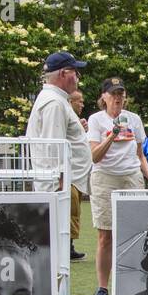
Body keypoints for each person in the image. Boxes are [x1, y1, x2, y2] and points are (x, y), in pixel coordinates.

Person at [25, 52, 95, 295]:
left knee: (57, 243)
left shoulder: (55, 100)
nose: (78, 77)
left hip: (61, 183)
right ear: (64, 73)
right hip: (58, 185)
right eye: (75, 72)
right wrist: (60, 185)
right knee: (55, 243)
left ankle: (59, 294)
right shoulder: (54, 103)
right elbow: (54, 149)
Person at [87, 77, 148, 295]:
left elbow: (140, 155)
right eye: (113, 93)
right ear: (104, 97)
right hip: (105, 178)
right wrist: (112, 134)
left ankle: (135, 285)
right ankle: (102, 288)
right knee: (105, 236)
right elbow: (94, 157)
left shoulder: (135, 119)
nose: (118, 97)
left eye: (121, 93)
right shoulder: (96, 120)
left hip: (131, 178)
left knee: (137, 234)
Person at [66, 89, 88, 263]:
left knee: (75, 211)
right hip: (69, 174)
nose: (82, 104)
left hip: (77, 174)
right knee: (70, 211)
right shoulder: (63, 114)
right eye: (79, 101)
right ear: (70, 102)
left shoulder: (73, 120)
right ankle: (67, 248)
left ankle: (69, 247)